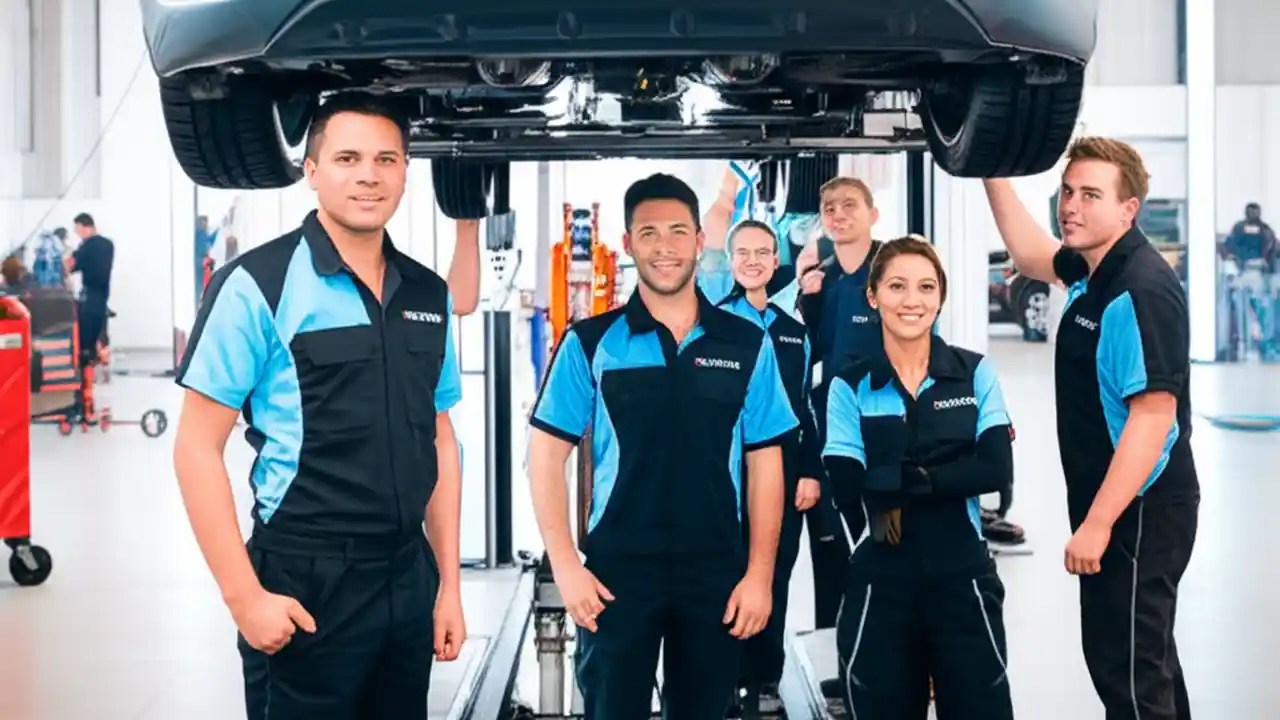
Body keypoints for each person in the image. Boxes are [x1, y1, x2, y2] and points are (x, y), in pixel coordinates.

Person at [171, 92, 467, 720]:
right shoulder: (258, 284)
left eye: (387, 159)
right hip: (307, 578)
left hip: (405, 573)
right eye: (348, 157)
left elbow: (439, 440)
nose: (369, 175)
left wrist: (448, 587)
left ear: (406, 172)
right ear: (311, 170)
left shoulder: (427, 292)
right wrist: (244, 597)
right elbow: (196, 447)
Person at [527, 173, 798, 719]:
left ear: (700, 241)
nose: (664, 247)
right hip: (615, 574)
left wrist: (759, 575)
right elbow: (544, 456)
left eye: (678, 232)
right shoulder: (591, 342)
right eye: (649, 233)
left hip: (715, 571)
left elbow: (766, 463)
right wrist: (566, 566)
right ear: (628, 244)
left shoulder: (746, 343)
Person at [984, 137, 1200, 719]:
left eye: (1091, 195)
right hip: (1118, 502)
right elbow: (1031, 253)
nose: (1071, 206)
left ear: (1128, 209)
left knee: (1126, 673)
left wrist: (1099, 525)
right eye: (1068, 192)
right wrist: (990, 167)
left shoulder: (1139, 290)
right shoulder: (1093, 268)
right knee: (1144, 660)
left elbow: (1153, 419)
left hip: (1140, 511)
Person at [822, 235, 1015, 719]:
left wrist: (904, 475)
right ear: (874, 296)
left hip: (964, 577)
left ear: (941, 297)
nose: (913, 300)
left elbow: (995, 469)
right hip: (883, 577)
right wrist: (951, 467)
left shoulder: (975, 374)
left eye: (927, 287)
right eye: (898, 286)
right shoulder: (849, 383)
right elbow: (846, 484)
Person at [715, 220, 831, 714]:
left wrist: (810, 471)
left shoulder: (793, 332)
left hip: (782, 473)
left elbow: (807, 408)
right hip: (724, 473)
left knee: (774, 574)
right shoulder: (713, 323)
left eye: (763, 252)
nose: (754, 261)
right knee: (726, 572)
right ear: (730, 260)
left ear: (775, 260)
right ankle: (725, 676)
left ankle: (764, 679)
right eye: (744, 253)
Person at [792, 175, 885, 628]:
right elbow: (805, 356)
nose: (839, 214)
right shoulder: (817, 281)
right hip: (833, 432)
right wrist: (803, 300)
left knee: (890, 543)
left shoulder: (895, 270)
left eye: (850, 204)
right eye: (830, 208)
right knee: (831, 549)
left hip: (888, 431)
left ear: (873, 215)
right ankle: (835, 651)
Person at [65, 214, 114, 365]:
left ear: (85, 227)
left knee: (86, 338)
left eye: (78, 230)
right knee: (100, 331)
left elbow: (69, 266)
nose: (77, 234)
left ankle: (87, 365)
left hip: (89, 295)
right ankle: (101, 355)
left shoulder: (86, 247)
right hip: (103, 294)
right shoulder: (108, 245)